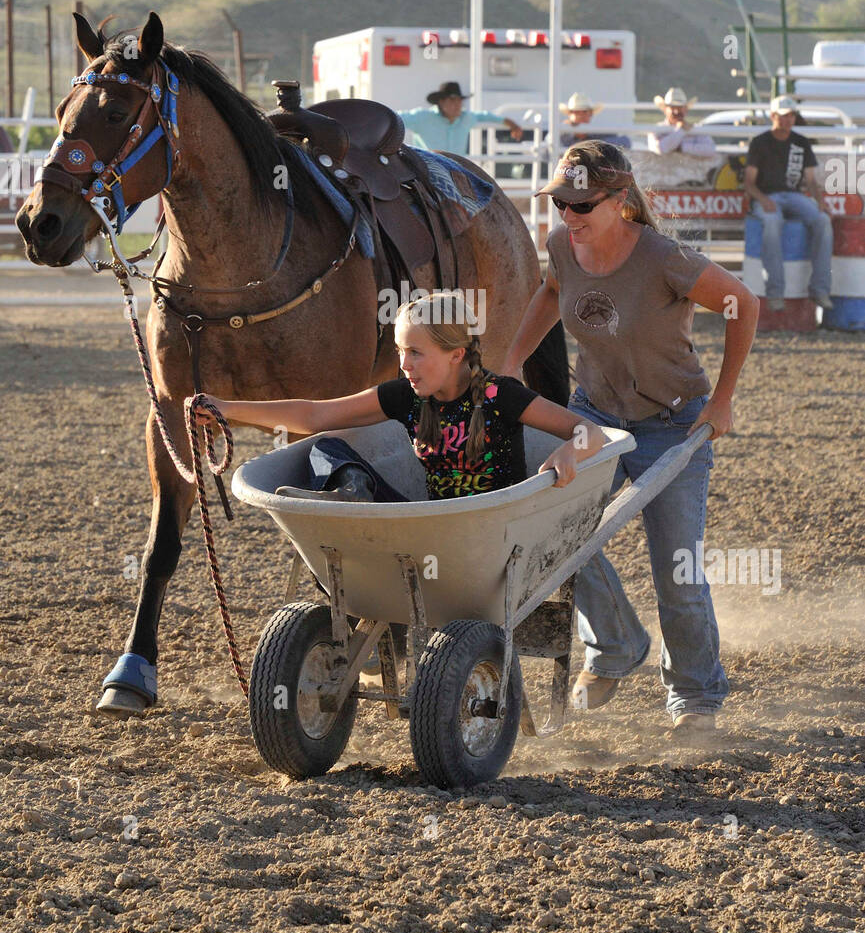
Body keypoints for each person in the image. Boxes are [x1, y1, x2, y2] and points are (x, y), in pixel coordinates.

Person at [502, 141, 759, 737]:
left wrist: (721, 401)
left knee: (678, 568)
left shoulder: (665, 260)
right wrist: (514, 358)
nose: (568, 215)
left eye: (581, 204)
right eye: (560, 202)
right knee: (559, 536)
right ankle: (615, 646)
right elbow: (549, 291)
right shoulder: (563, 245)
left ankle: (695, 699)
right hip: (595, 418)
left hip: (674, 422)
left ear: (620, 202)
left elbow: (741, 303)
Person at [195, 292, 607, 501]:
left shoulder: (499, 395)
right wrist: (226, 409)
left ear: (456, 355)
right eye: (399, 352)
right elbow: (317, 416)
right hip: (429, 525)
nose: (404, 364)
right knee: (326, 448)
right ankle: (353, 494)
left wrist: (571, 451)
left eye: (415, 353)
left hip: (492, 530)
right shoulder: (406, 396)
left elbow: (591, 432)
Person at [744, 95, 833, 312]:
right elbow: (749, 183)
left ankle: (819, 289)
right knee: (773, 223)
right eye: (784, 116)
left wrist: (820, 202)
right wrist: (763, 199)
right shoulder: (759, 142)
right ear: (773, 116)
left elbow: (810, 181)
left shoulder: (801, 142)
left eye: (791, 115)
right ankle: (775, 292)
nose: (788, 120)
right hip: (767, 196)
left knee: (822, 220)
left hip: (793, 196)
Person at [401, 81, 523, 157]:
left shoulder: (466, 117)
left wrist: (511, 124)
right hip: (428, 171)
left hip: (456, 172)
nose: (458, 104)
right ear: (441, 102)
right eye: (452, 100)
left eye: (459, 100)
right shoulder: (422, 117)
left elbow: (486, 116)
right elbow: (395, 117)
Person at [649, 87, 718, 163]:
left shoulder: (696, 129)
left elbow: (710, 150)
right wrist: (681, 131)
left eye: (680, 108)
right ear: (665, 109)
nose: (676, 111)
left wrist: (681, 147)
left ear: (686, 109)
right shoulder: (657, 129)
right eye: (672, 107)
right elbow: (660, 149)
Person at [559, 91, 630, 150]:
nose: (581, 115)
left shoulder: (597, 132)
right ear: (569, 114)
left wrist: (593, 144)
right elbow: (548, 151)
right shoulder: (562, 134)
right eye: (576, 112)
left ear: (591, 114)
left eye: (584, 111)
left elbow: (625, 142)